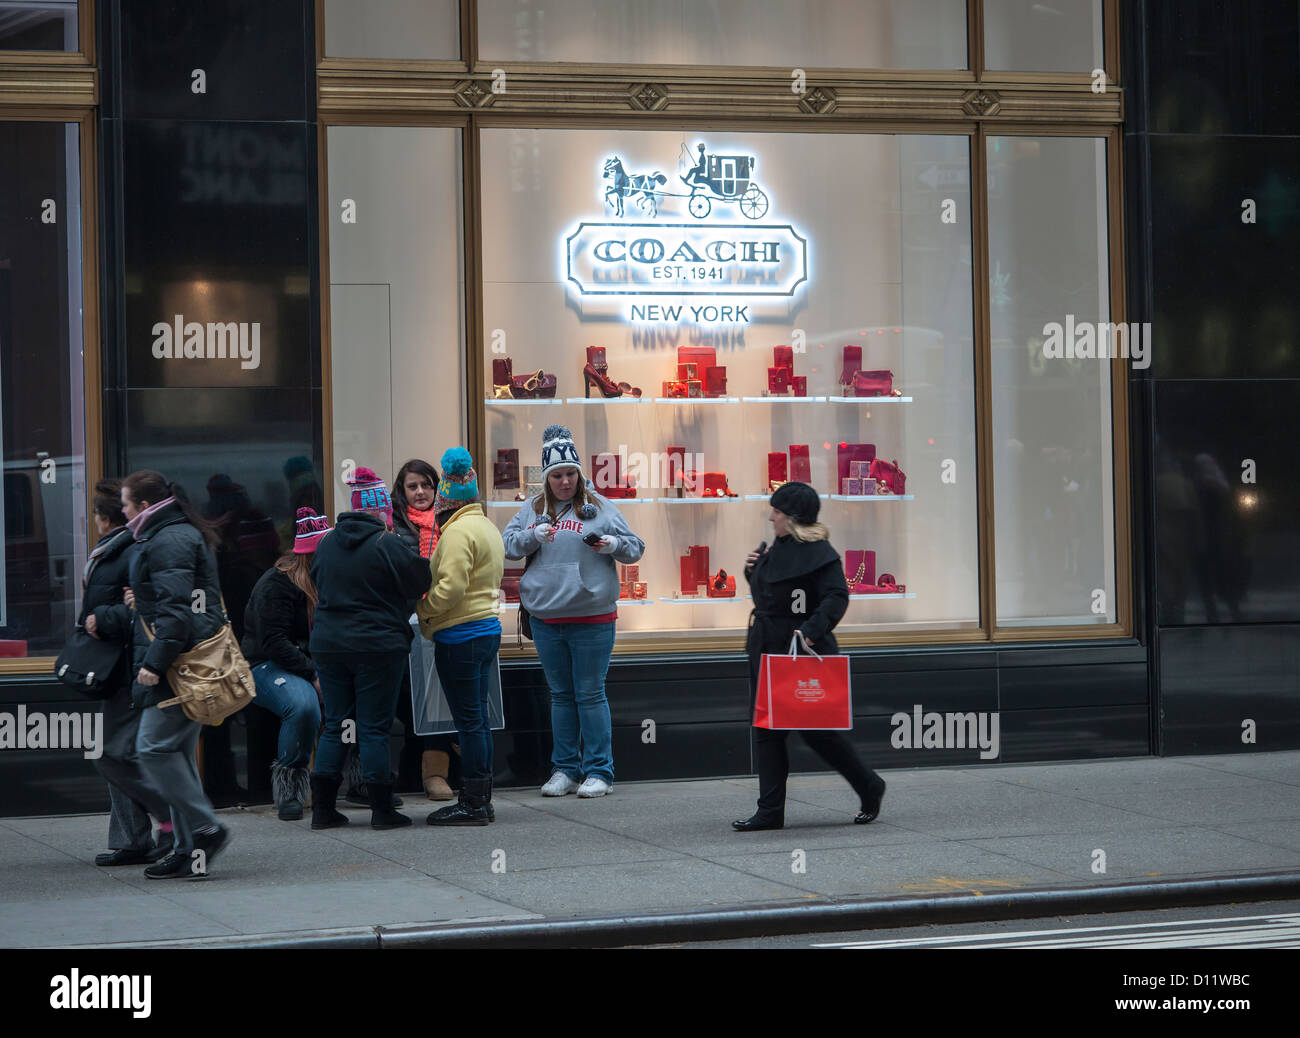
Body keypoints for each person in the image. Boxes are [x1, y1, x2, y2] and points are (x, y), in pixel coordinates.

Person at [733, 482, 886, 832]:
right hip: (768, 647)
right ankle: (770, 811)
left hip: (802, 649)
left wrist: (811, 631)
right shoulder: (778, 546)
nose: (771, 517)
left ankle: (869, 785)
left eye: (778, 512)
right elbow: (770, 596)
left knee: (818, 732)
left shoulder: (820, 553)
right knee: (767, 729)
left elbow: (836, 597)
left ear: (793, 517)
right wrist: (752, 572)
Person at [502, 426, 645, 799]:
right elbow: (507, 547)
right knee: (560, 696)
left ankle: (600, 772)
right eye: (557, 475)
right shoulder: (531, 509)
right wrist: (534, 536)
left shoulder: (599, 506)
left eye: (570, 474)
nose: (564, 482)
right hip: (547, 619)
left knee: (590, 694)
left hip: (592, 618)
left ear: (579, 475)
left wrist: (610, 543)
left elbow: (634, 548)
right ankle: (565, 768)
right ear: (547, 478)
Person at [120, 470, 232, 878]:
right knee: (178, 754)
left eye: (127, 504)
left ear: (145, 506)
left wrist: (153, 664)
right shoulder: (169, 534)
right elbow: (171, 599)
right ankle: (188, 850)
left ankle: (205, 827)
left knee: (151, 748)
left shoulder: (168, 539)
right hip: (184, 660)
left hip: (179, 665)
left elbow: (177, 613)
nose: (124, 511)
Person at [309, 466, 432, 831]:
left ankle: (323, 810)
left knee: (337, 724)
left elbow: (317, 580)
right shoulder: (387, 542)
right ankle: (381, 810)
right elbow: (420, 579)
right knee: (373, 727)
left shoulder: (327, 541)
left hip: (329, 646)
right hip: (377, 647)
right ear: (381, 510)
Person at [81, 478, 171, 866]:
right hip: (117, 665)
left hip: (130, 665)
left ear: (105, 518)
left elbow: (145, 609)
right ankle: (135, 836)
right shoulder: (113, 550)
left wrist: (100, 617)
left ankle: (166, 827)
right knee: (120, 754)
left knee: (121, 755)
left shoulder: (129, 551)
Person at [417, 448, 505, 825]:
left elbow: (450, 589)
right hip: (485, 630)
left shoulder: (456, 533)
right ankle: (481, 799)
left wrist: (424, 611)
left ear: (446, 499)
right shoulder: (485, 525)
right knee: (477, 721)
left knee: (468, 722)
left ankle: (472, 803)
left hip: (460, 636)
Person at [241, 508, 331, 821]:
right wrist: (312, 675)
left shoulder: (327, 578)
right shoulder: (276, 585)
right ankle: (290, 787)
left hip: (313, 662)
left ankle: (360, 780)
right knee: (303, 704)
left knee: (359, 692)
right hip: (265, 665)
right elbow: (273, 643)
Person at [391, 459, 461, 802]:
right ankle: (408, 773)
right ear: (401, 491)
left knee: (436, 700)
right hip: (403, 627)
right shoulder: (392, 526)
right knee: (407, 700)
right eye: (412, 486)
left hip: (440, 624)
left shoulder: (451, 522)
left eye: (426, 485)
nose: (420, 493)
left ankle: (436, 774)